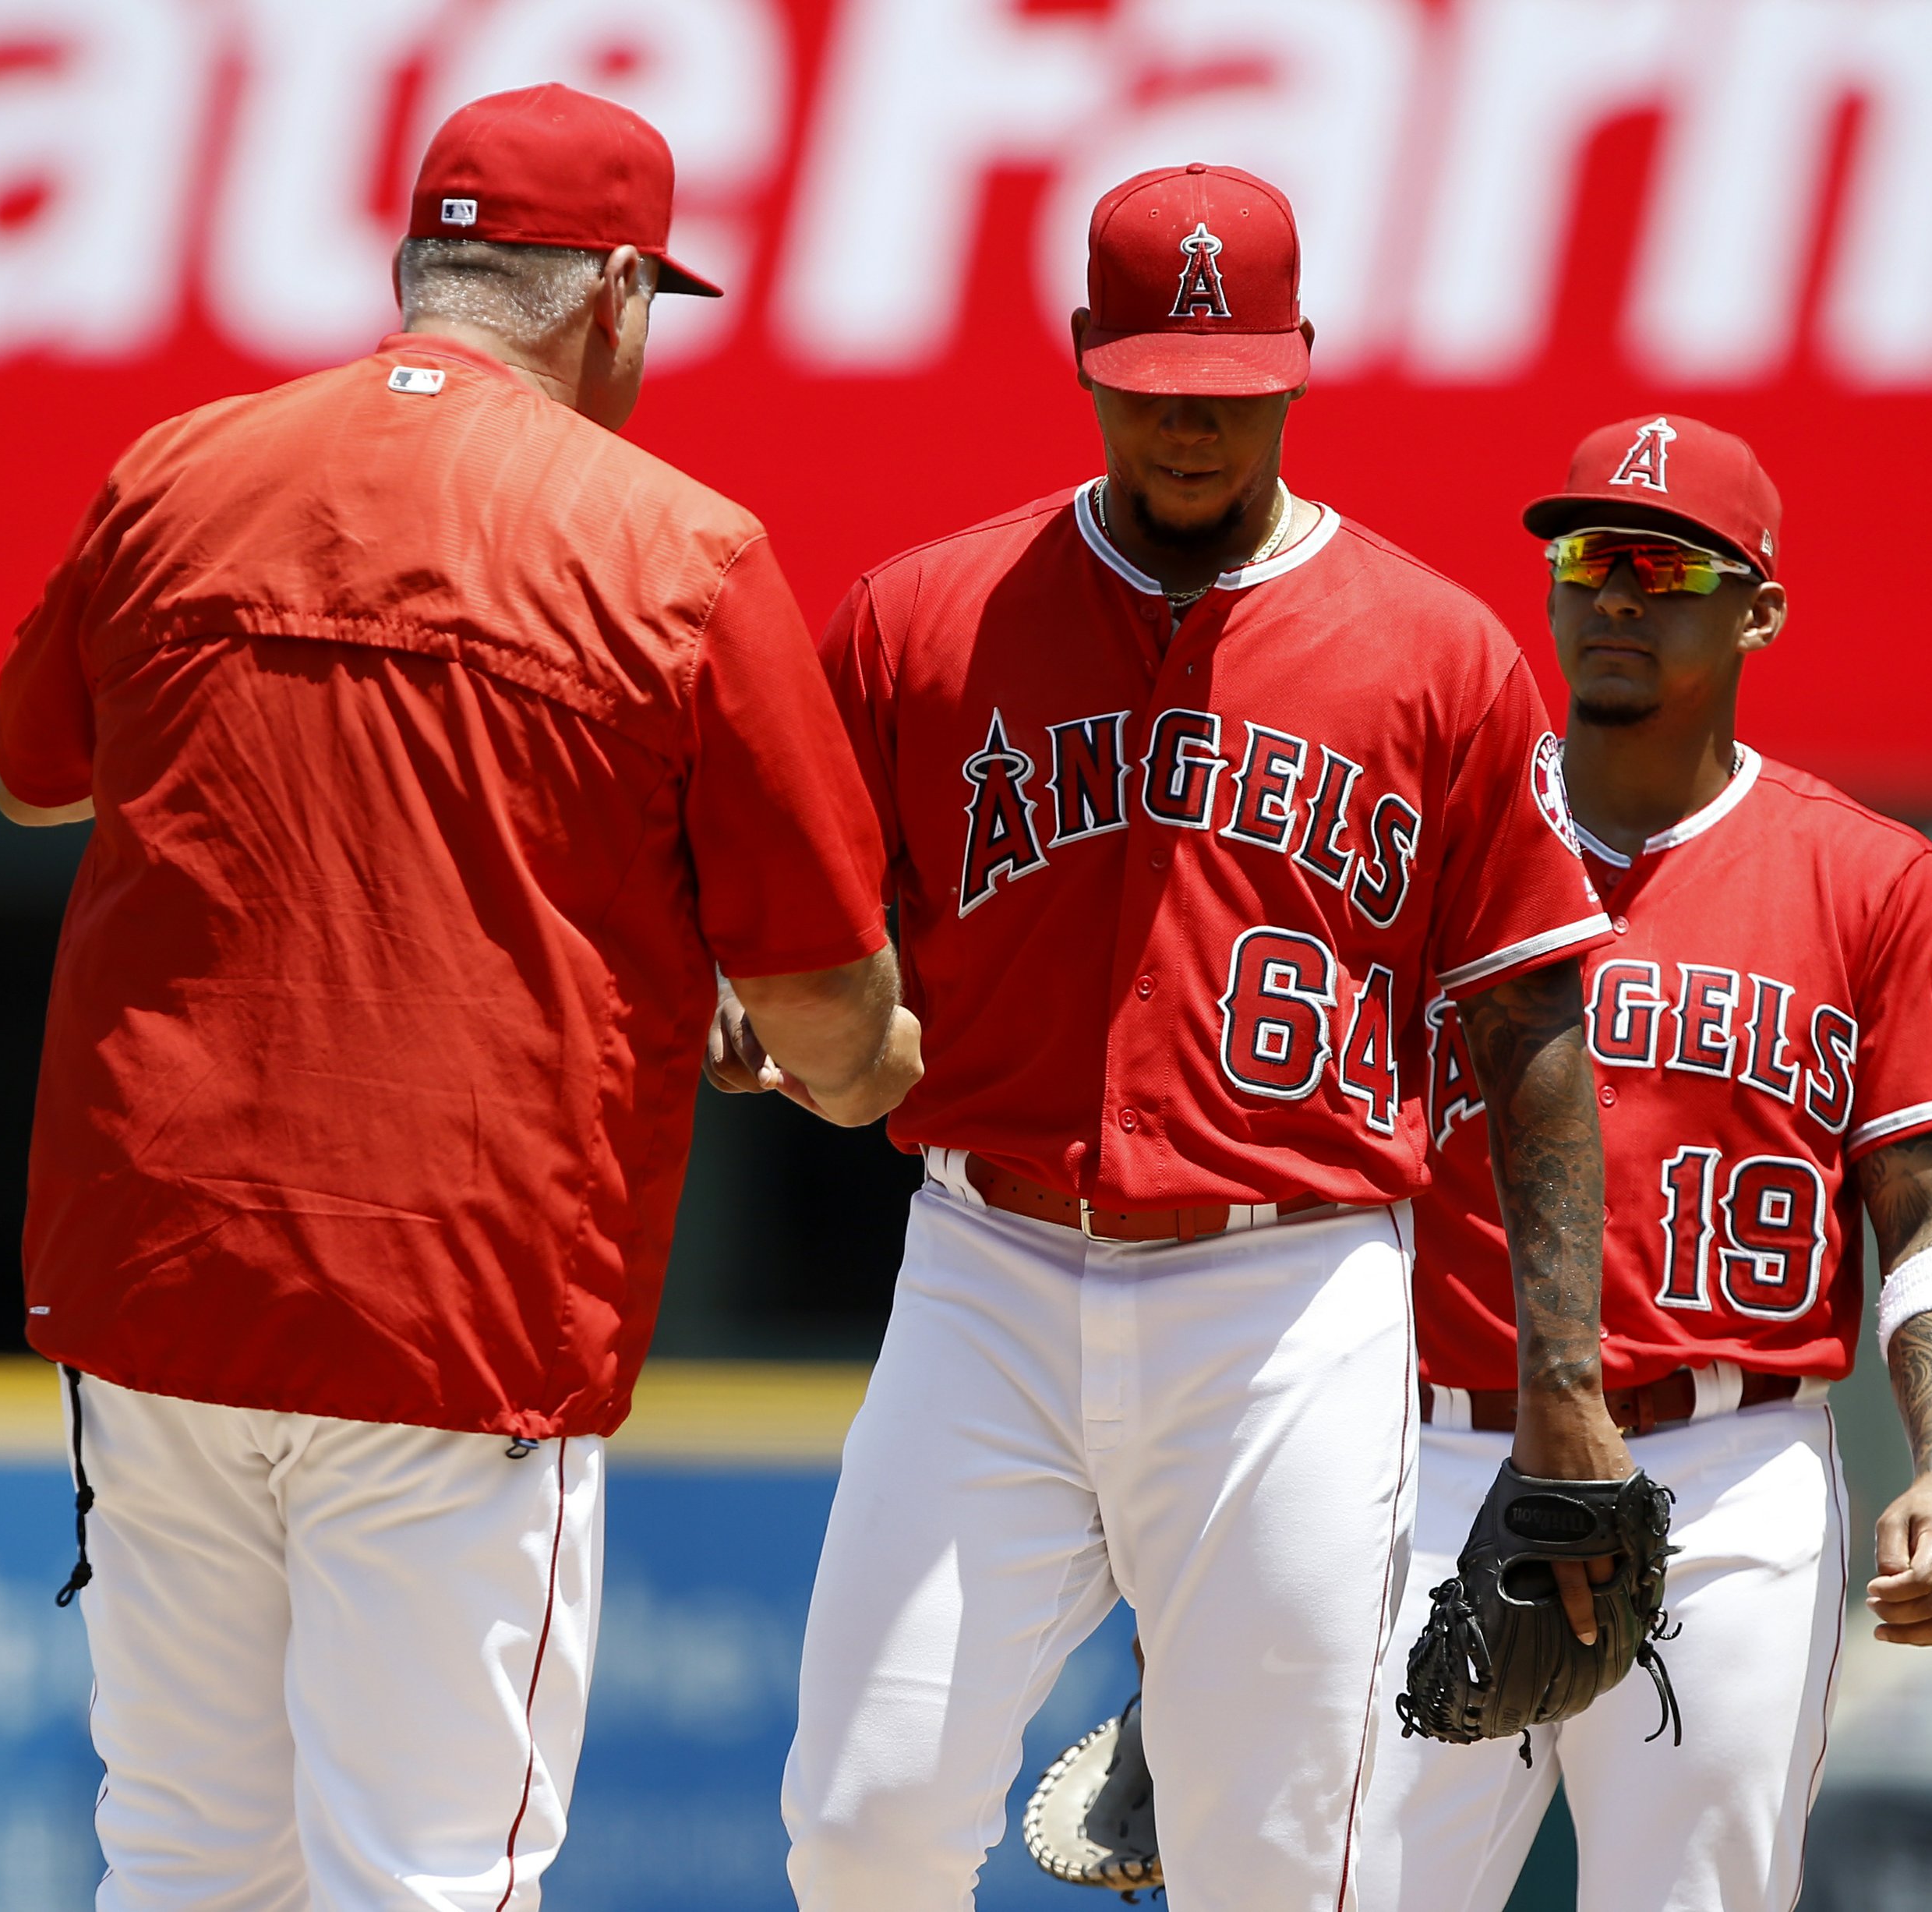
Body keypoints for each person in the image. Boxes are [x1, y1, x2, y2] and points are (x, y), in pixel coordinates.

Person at [0, 83, 917, 1911]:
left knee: (179, 1860)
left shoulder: (180, 466)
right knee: (430, 1880)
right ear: (618, 297)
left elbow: (33, 772)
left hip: (155, 1284)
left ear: (425, 266)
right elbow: (825, 997)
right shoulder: (678, 547)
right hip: (453, 1310)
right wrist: (862, 1062)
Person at [716, 163, 1627, 1912]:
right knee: (862, 1817)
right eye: (1151, 389)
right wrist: (758, 1010)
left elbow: (1528, 1020)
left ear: (1299, 370)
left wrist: (1561, 1382)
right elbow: (798, 934)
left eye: (1228, 395)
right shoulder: (926, 620)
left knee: (1281, 1861)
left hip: (1286, 1301)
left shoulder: (1437, 651)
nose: (1191, 431)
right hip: (988, 1267)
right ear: (1081, 356)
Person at [1358, 415, 1932, 1912]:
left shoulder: (1867, 876)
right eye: (1590, 557)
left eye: (1667, 565)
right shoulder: (1435, 849)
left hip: (1729, 1476)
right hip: (1432, 1453)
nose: (1615, 596)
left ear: (1760, 610)